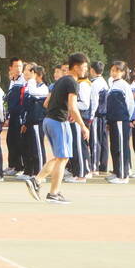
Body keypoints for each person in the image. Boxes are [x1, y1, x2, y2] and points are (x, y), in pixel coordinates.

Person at [26, 52, 89, 204]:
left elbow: (47, 103)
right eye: (84, 67)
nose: (86, 70)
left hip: (49, 121)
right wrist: (83, 126)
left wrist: (65, 109)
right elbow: (73, 106)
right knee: (63, 158)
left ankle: (38, 181)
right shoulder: (73, 83)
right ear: (75, 67)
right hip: (59, 122)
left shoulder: (61, 81)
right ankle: (52, 192)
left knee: (60, 157)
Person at [105, 61, 135, 184]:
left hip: (120, 120)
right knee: (114, 147)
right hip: (112, 120)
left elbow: (130, 104)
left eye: (117, 70)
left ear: (123, 72)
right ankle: (117, 171)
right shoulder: (112, 85)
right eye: (112, 70)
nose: (114, 72)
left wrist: (125, 117)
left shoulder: (124, 85)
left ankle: (123, 175)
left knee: (121, 147)